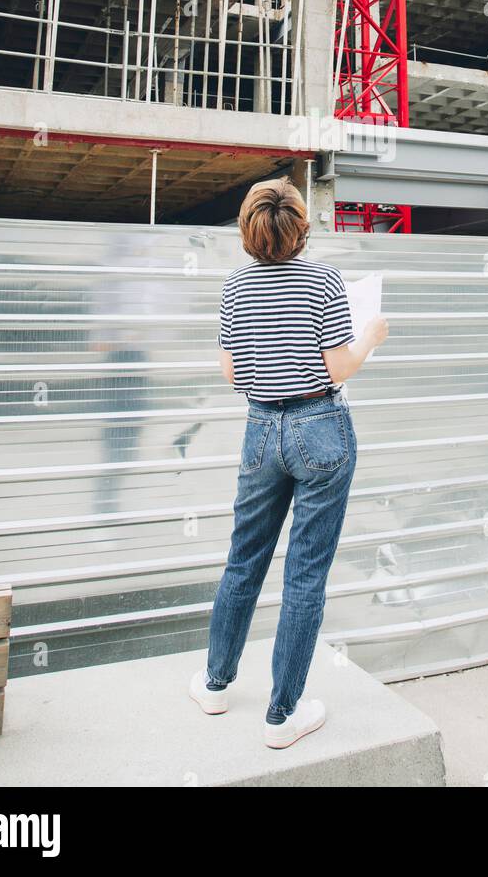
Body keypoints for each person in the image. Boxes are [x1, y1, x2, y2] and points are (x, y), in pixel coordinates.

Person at [189, 176, 388, 749]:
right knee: (305, 574)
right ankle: (282, 715)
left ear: (248, 229)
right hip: (319, 429)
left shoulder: (234, 287)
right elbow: (336, 369)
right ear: (300, 226)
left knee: (243, 560)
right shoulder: (324, 280)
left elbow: (230, 374)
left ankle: (216, 684)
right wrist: (370, 337)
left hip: (258, 430)